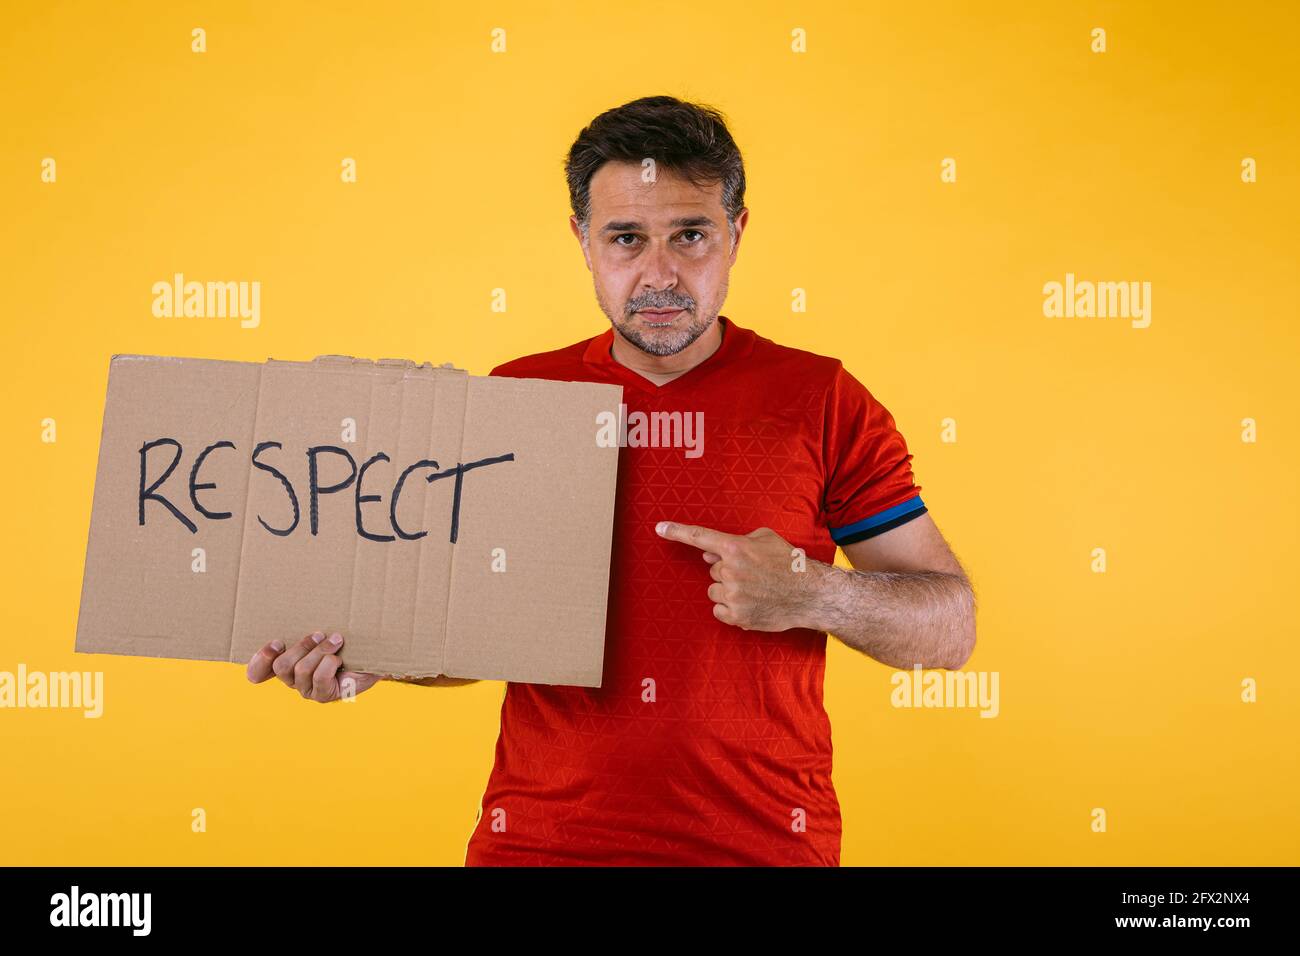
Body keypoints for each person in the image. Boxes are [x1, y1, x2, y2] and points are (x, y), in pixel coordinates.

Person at [247, 95, 976, 866]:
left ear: (737, 233)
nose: (659, 275)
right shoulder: (521, 397)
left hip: (764, 848)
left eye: (690, 236)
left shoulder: (823, 400)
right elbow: (482, 635)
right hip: (537, 847)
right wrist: (373, 657)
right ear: (583, 242)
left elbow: (951, 630)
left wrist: (816, 593)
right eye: (626, 239)